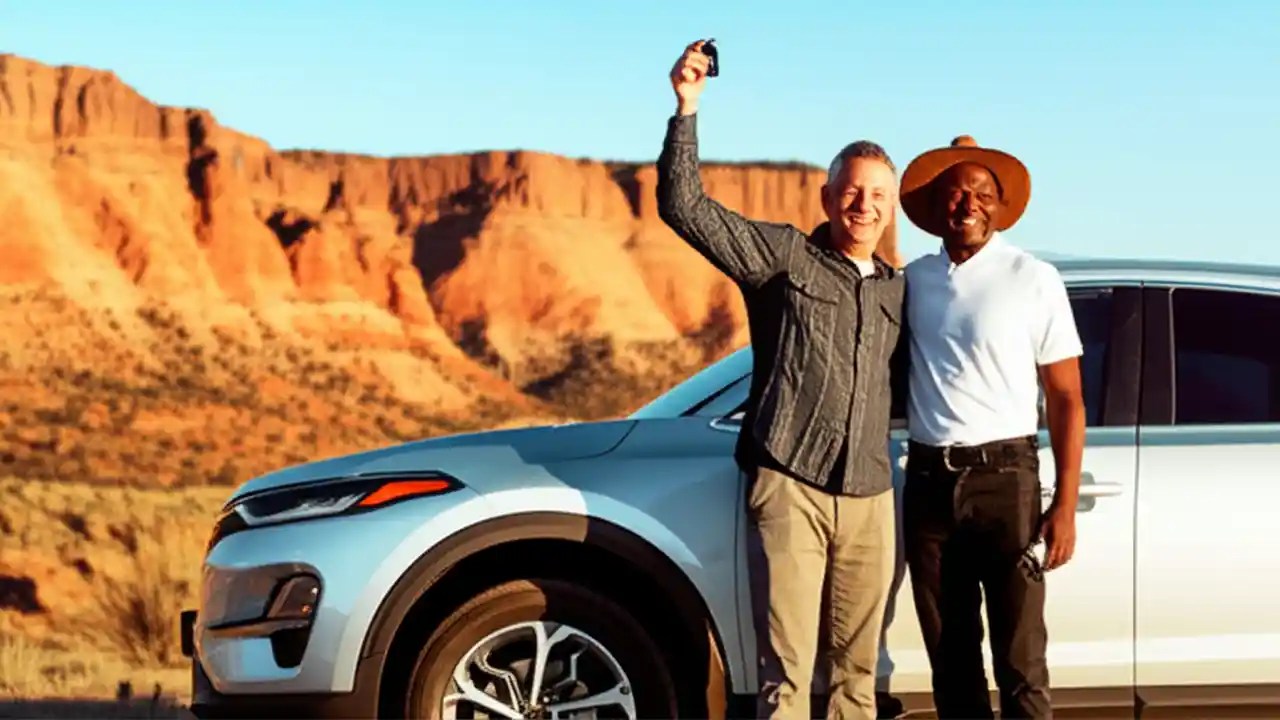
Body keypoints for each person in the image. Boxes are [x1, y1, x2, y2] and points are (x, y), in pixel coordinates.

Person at [656, 40, 904, 720]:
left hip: (871, 496)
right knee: (785, 677)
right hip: (790, 483)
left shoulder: (898, 291)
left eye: (879, 195)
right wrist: (687, 107)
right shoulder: (784, 257)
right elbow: (686, 207)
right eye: (852, 190)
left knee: (859, 678)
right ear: (826, 196)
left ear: (893, 207)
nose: (864, 204)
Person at [895, 135, 1086, 719]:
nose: (969, 203)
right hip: (929, 483)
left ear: (1000, 207)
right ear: (935, 210)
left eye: (982, 193)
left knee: (1020, 657)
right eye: (956, 193)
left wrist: (1065, 505)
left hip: (1007, 481)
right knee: (951, 662)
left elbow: (1067, 397)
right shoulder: (911, 280)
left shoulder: (1034, 277)